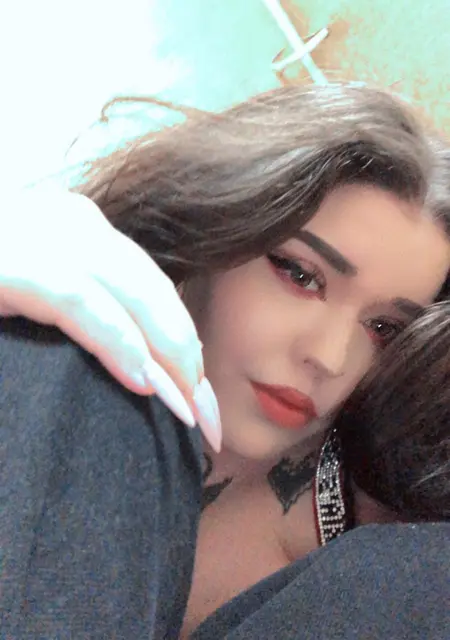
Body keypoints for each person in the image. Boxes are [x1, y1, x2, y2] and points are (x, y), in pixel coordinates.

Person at [1, 83, 450, 637]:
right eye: (300, 274)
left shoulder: (383, 563)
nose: (329, 357)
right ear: (218, 222)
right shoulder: (54, 367)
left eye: (384, 329)